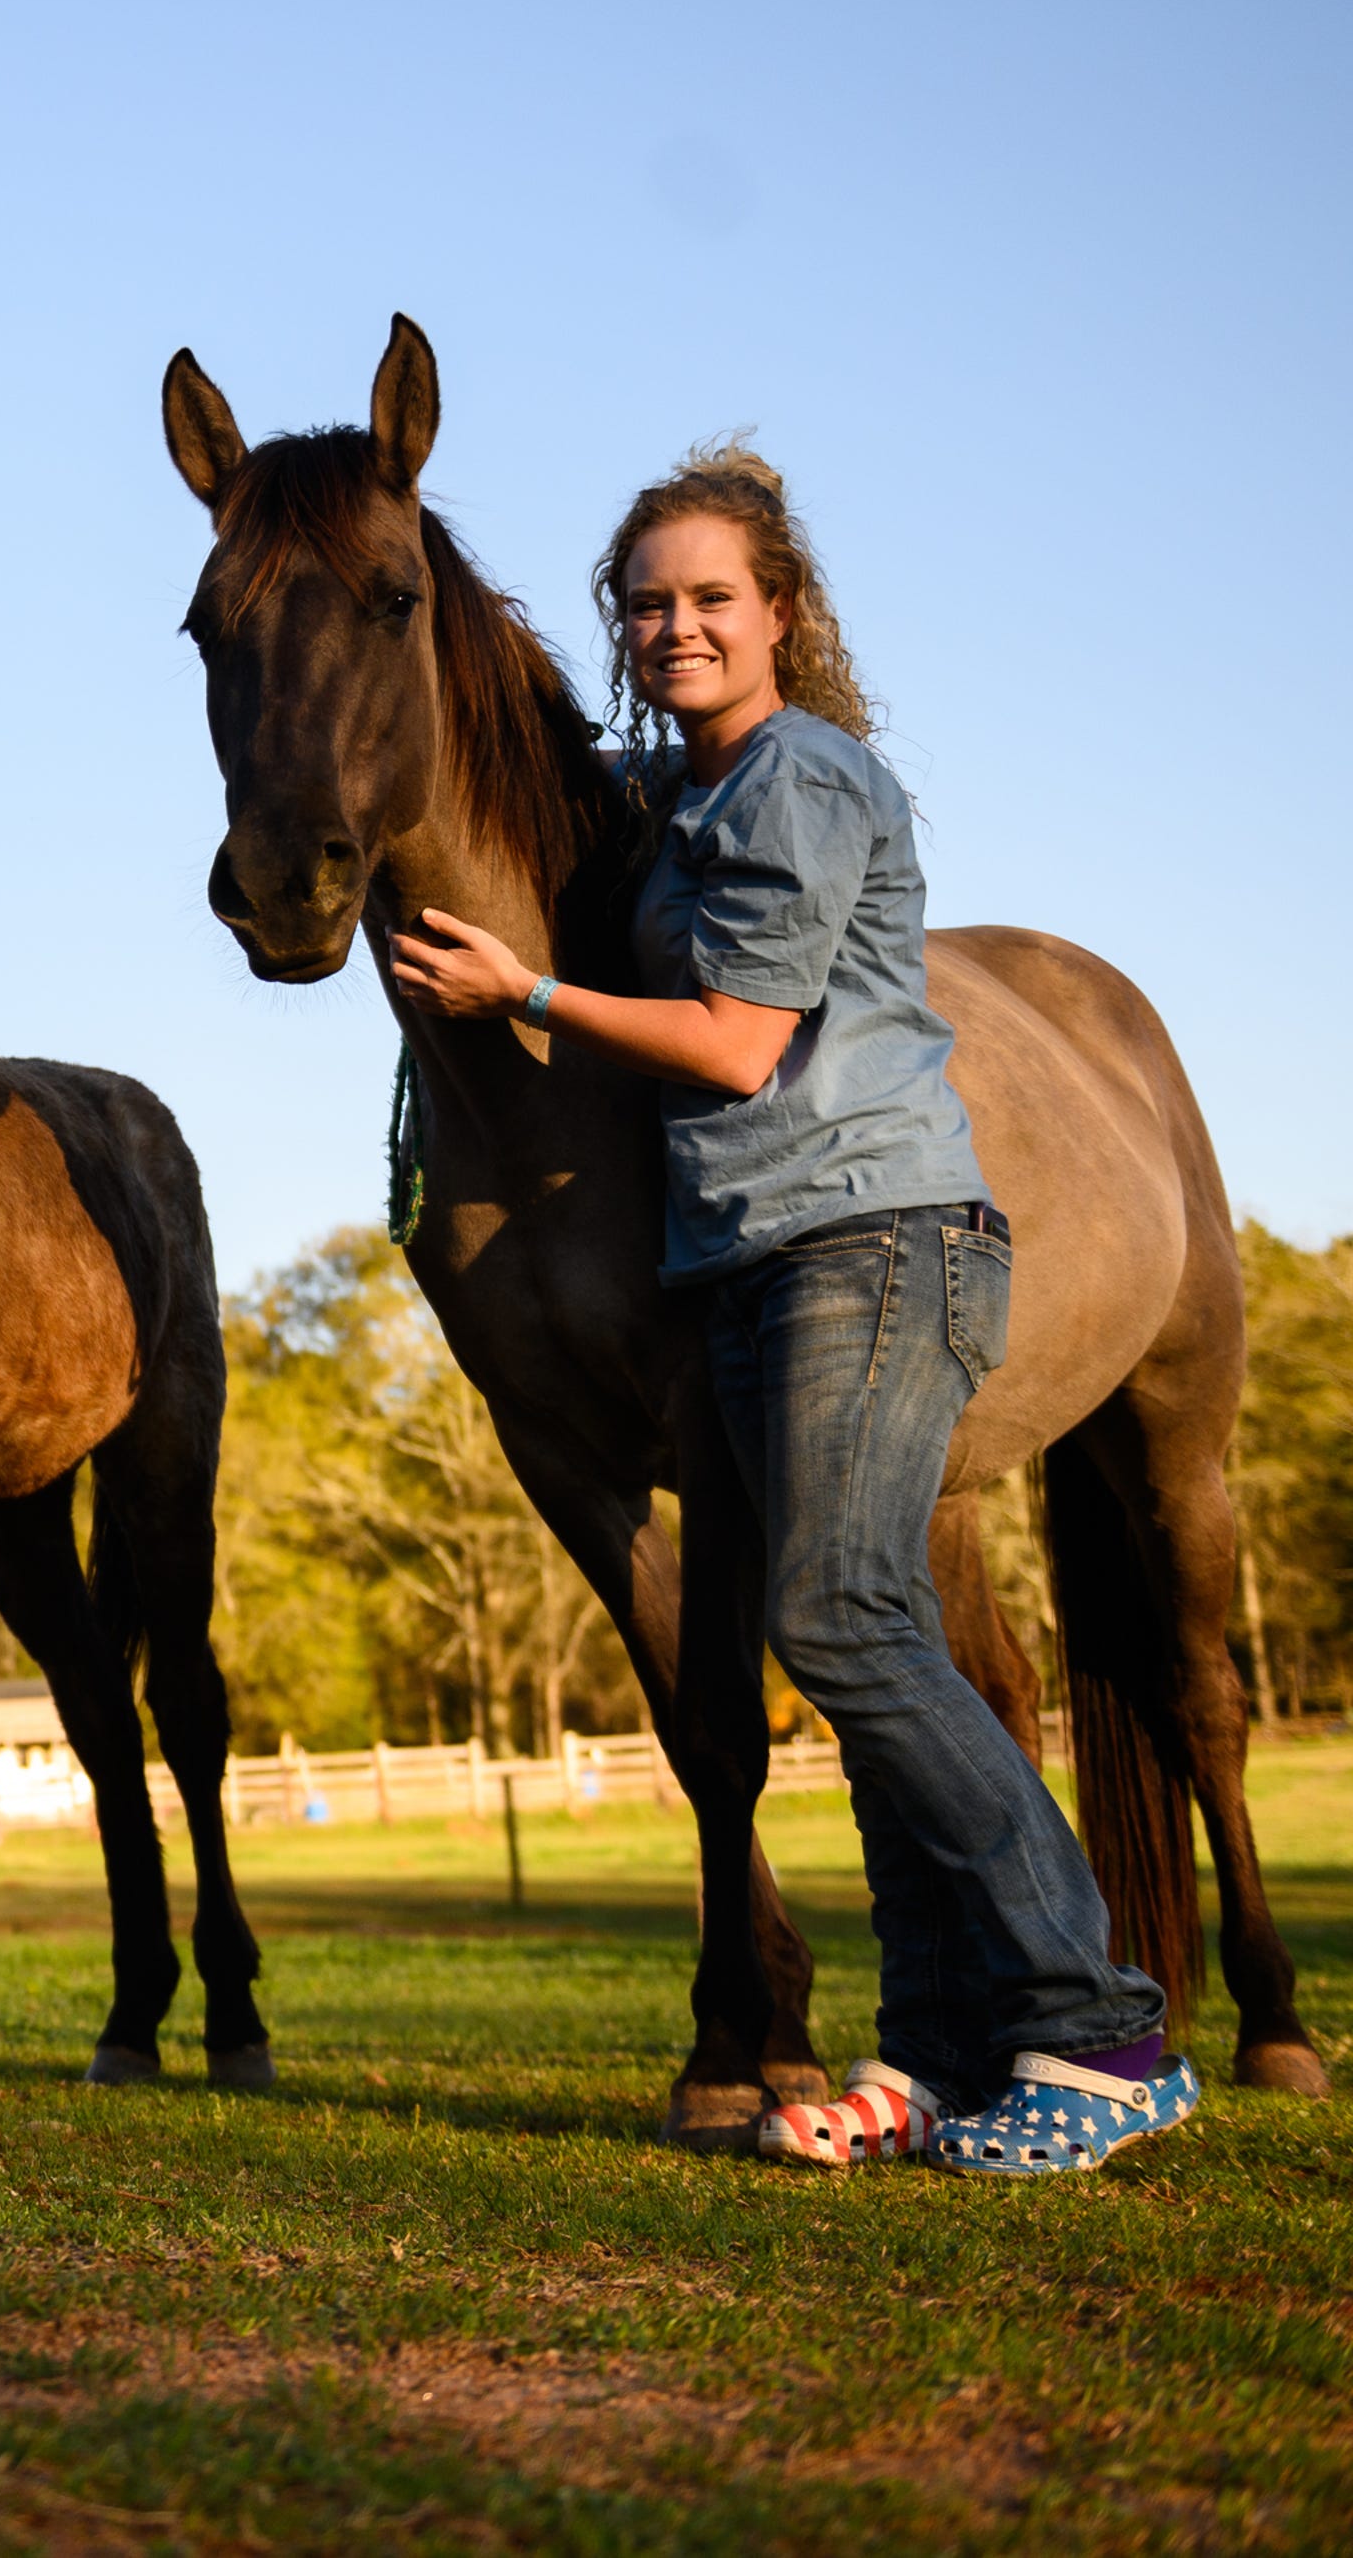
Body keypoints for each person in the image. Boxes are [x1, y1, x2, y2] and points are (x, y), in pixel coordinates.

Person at [389, 442, 1186, 2177]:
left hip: (870, 1231)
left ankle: (1098, 2017)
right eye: (648, 603)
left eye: (711, 599)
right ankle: (936, 2045)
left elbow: (749, 1044)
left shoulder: (800, 778)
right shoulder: (673, 800)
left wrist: (522, 986)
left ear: (782, 613)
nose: (678, 627)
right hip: (753, 1254)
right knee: (871, 1618)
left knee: (835, 1615)